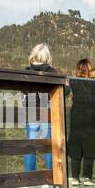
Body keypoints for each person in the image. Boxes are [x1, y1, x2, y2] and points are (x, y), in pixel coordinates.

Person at [67, 58, 95, 186]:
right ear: (88, 70)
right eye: (92, 69)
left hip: (76, 115)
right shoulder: (93, 83)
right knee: (89, 146)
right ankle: (87, 176)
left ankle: (75, 178)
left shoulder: (73, 81)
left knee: (76, 145)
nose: (94, 71)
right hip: (92, 116)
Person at [23, 44, 58, 173]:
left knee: (30, 145)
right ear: (47, 56)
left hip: (30, 111)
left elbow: (24, 91)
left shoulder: (26, 71)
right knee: (49, 145)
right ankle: (53, 176)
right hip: (47, 110)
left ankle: (29, 176)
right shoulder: (52, 72)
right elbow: (64, 91)